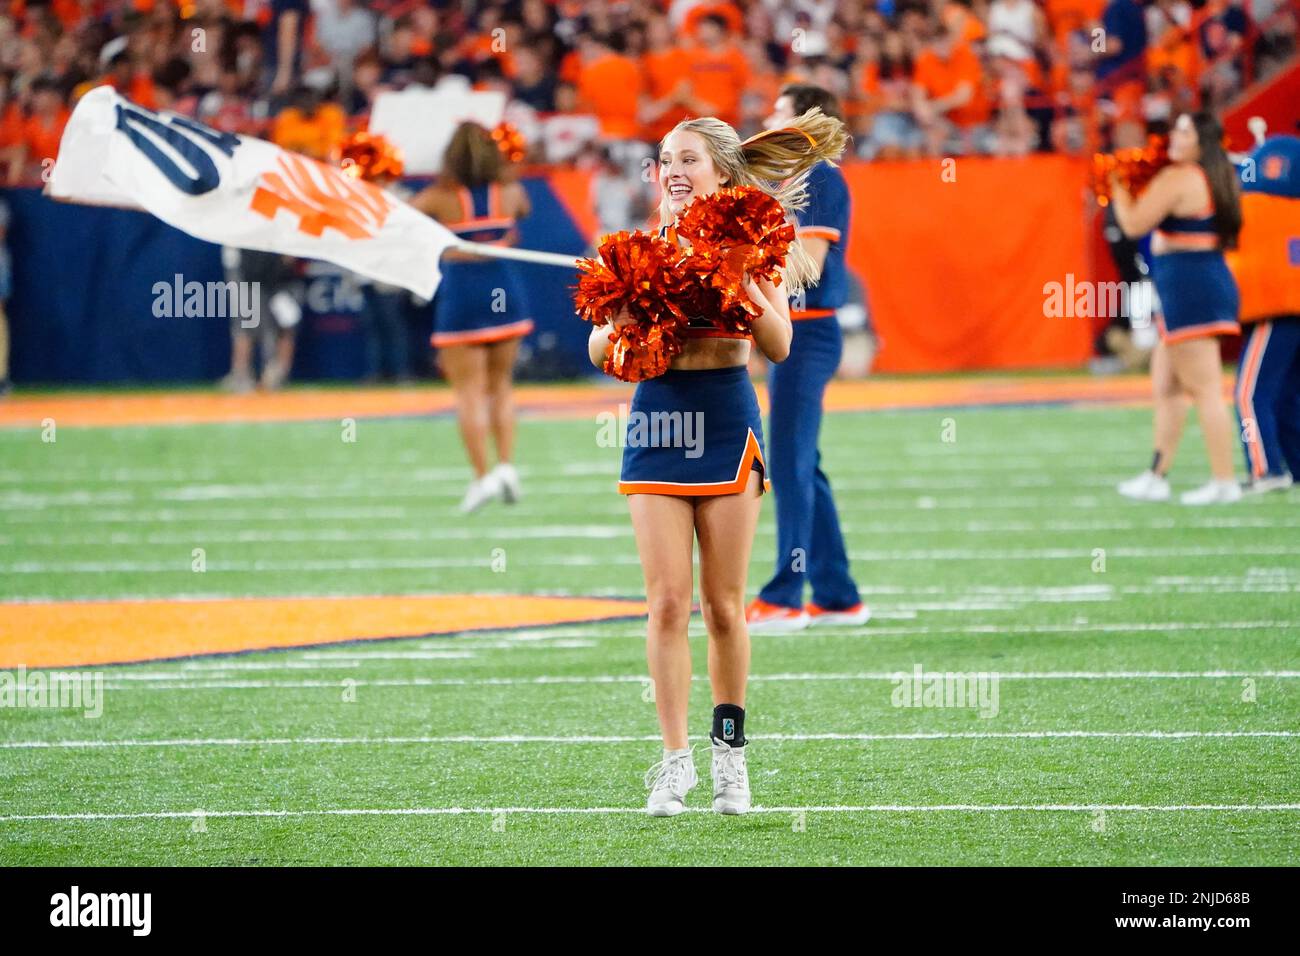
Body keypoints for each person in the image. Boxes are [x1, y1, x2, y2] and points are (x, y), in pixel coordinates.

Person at [586, 107, 847, 817]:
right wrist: (635, 323)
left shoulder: (755, 243)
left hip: (729, 425)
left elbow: (779, 344)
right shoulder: (639, 244)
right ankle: (674, 764)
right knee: (666, 602)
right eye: (665, 156)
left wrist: (734, 282)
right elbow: (597, 348)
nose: (673, 166)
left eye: (689, 157)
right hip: (657, 424)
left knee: (725, 607)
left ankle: (730, 757)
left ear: (722, 172)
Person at [746, 84, 868, 634]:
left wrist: (743, 274)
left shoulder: (819, 176)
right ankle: (838, 593)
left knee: (789, 465)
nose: (769, 116)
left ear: (806, 122)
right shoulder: (788, 181)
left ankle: (784, 595)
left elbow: (809, 264)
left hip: (808, 330)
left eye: (779, 109)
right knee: (803, 464)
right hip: (794, 330)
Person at [1112, 111, 1244, 505]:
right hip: (1193, 284)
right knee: (1167, 387)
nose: (1174, 135)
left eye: (1184, 130)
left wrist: (1116, 186)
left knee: (1204, 389)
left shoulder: (1182, 177)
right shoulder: (1212, 176)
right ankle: (1157, 475)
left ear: (1201, 141)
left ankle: (1225, 481)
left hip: (1190, 288)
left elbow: (1134, 224)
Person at [412, 122, 533, 513]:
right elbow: (523, 214)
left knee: (468, 392)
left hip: (462, 296)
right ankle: (507, 467)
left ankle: (482, 478)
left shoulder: (437, 198)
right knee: (501, 386)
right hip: (504, 292)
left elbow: (402, 222)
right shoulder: (511, 192)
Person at [1230, 134, 1300, 492]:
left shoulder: (1254, 206)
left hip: (1278, 309)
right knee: (1288, 394)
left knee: (1249, 393)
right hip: (1289, 304)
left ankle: (1267, 469)